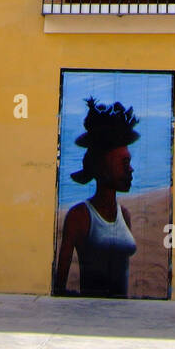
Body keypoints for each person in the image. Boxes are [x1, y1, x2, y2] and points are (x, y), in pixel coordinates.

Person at [53, 97, 139, 297]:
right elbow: (59, 284)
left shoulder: (124, 215)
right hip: (90, 314)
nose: (131, 170)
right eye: (124, 163)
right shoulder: (79, 217)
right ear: (102, 167)